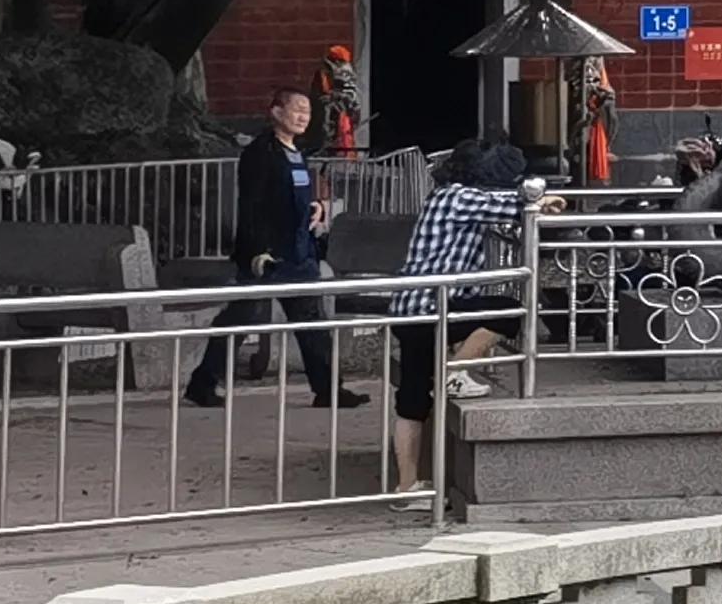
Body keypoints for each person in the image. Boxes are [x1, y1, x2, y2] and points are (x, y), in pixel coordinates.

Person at [188, 84, 368, 409]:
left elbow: (298, 195)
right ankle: (203, 382)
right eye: (296, 109)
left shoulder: (297, 152)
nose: (303, 116)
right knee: (243, 317)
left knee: (312, 322)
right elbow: (253, 206)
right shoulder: (260, 154)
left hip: (299, 253)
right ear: (276, 112)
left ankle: (328, 389)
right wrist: (258, 250)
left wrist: (318, 207)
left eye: (307, 111)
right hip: (269, 255)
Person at [386, 141, 539, 488]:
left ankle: (406, 486)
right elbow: (517, 204)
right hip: (430, 308)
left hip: (413, 311)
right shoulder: (458, 197)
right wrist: (540, 199)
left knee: (411, 402)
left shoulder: (446, 195)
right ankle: (453, 374)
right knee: (509, 311)